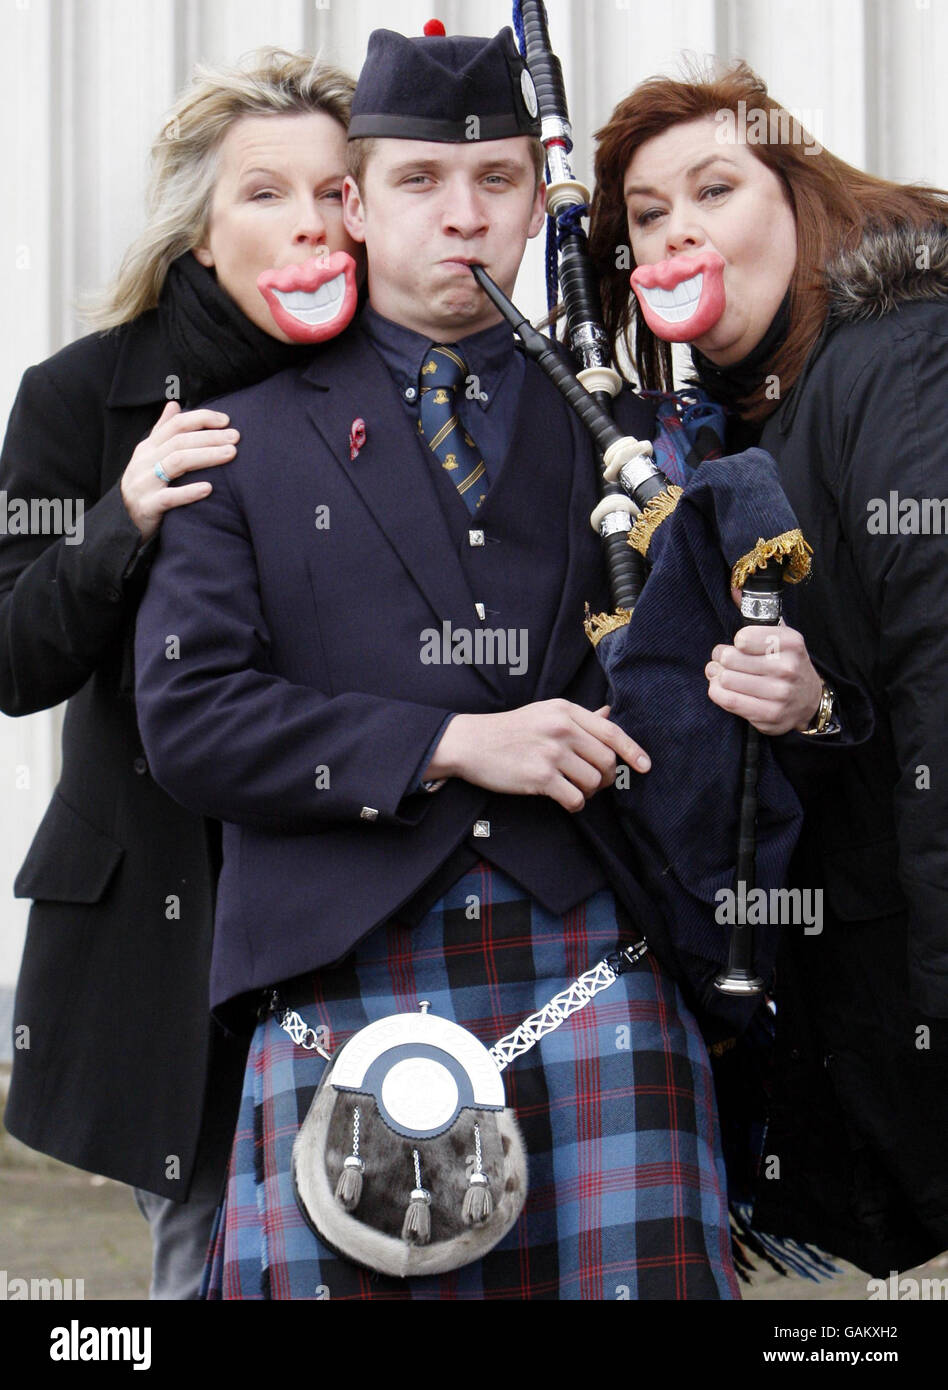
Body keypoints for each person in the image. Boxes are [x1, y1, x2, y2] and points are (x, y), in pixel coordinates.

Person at [134, 26, 741, 1301]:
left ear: (538, 200)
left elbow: (709, 698)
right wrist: (452, 743)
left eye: (499, 182)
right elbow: (189, 717)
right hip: (336, 967)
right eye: (419, 182)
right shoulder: (237, 442)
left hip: (599, 963)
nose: (462, 217)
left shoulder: (639, 433)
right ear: (353, 203)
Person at [1, 48, 363, 1299]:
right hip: (167, 920)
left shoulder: (390, 379)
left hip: (352, 882)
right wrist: (123, 516)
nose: (311, 223)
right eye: (268, 194)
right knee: (204, 1237)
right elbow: (12, 653)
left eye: (335, 193)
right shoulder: (76, 395)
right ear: (202, 233)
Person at [588, 60, 948, 1276]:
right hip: (835, 1019)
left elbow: (939, 681)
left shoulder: (899, 358)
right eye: (647, 215)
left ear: (795, 195)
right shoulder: (730, 424)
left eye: (715, 188)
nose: (681, 228)